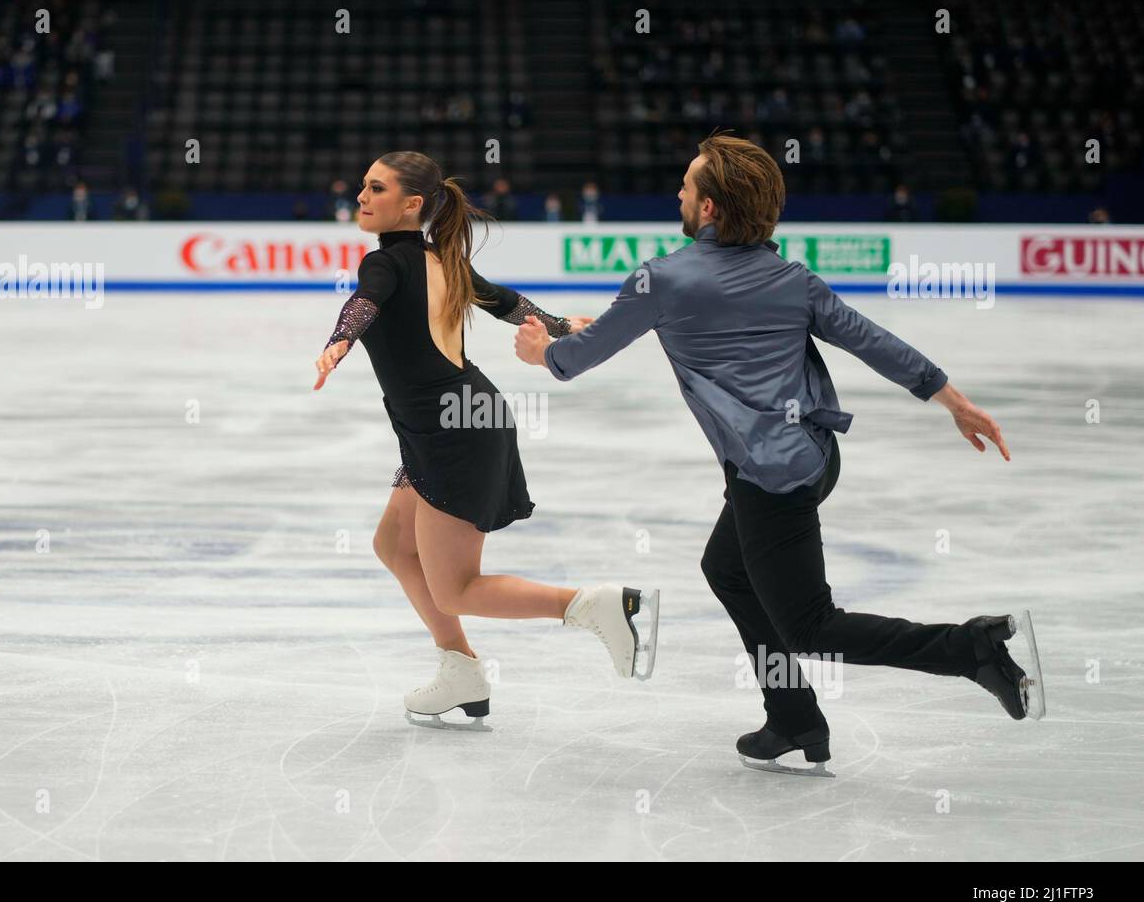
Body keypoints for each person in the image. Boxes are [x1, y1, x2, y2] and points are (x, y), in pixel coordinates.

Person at [514, 133, 1040, 774]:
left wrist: (542, 349)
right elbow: (871, 340)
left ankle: (969, 649)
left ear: (708, 209)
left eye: (688, 184)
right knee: (726, 568)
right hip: (814, 458)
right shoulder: (791, 279)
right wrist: (953, 399)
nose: (678, 192)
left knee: (810, 627)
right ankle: (793, 718)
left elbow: (572, 364)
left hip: (770, 477)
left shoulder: (665, 278)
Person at [313, 151, 659, 729]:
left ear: (412, 204)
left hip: (455, 431)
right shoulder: (436, 258)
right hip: (450, 424)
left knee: (456, 588)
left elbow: (364, 304)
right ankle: (461, 670)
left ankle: (595, 607)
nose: (362, 197)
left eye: (376, 188)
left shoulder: (387, 265)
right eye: (362, 187)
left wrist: (339, 341)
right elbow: (507, 303)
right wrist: (557, 324)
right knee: (395, 546)